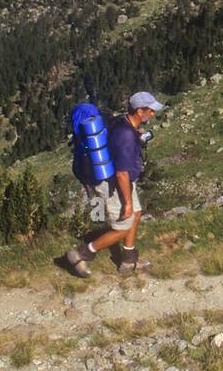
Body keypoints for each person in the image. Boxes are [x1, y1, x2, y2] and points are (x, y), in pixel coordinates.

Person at [65, 91, 163, 276]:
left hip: (121, 180)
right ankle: (81, 254)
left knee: (136, 213)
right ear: (139, 111)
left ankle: (128, 260)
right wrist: (126, 202)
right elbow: (121, 174)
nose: (153, 114)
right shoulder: (125, 134)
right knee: (122, 227)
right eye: (150, 110)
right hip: (110, 183)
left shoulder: (123, 122)